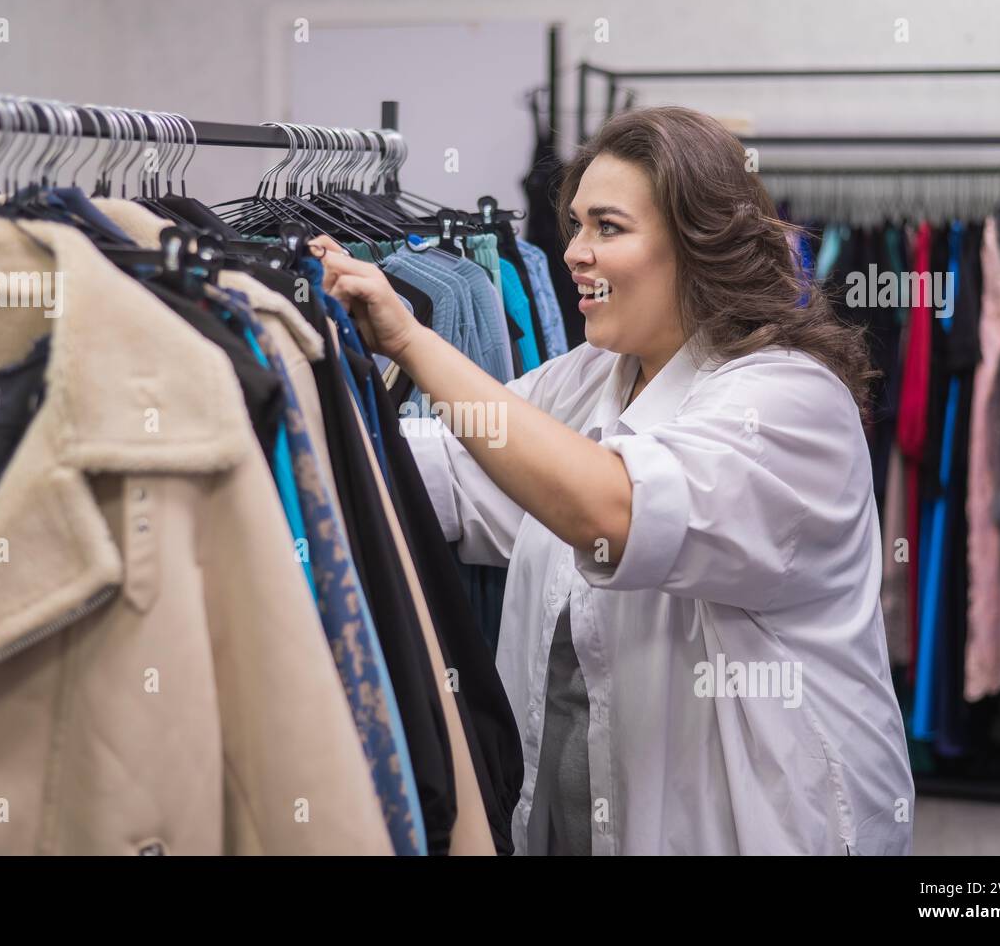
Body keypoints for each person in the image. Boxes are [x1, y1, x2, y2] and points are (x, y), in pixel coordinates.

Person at [311, 105, 913, 855]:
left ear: (700, 245)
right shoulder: (593, 377)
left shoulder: (792, 404)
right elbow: (457, 470)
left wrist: (408, 337)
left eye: (608, 227)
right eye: (574, 225)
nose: (572, 252)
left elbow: (614, 509)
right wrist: (297, 411)